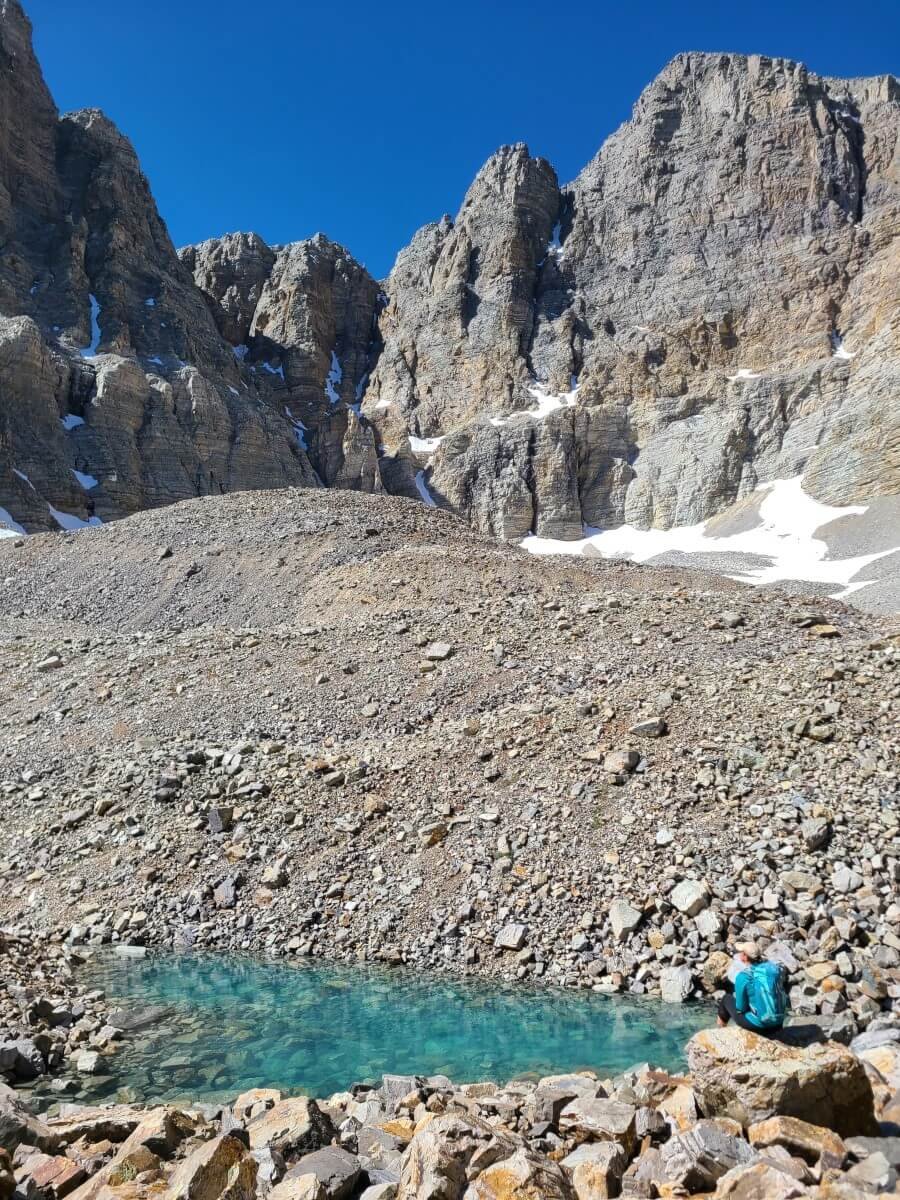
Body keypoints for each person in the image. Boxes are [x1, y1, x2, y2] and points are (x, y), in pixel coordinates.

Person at [717, 943, 788, 1034]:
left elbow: (741, 1008)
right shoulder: (773, 970)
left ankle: (720, 1034)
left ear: (744, 957)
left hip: (759, 1026)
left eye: (740, 952)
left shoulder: (743, 976)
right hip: (778, 1023)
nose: (738, 954)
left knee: (726, 999)